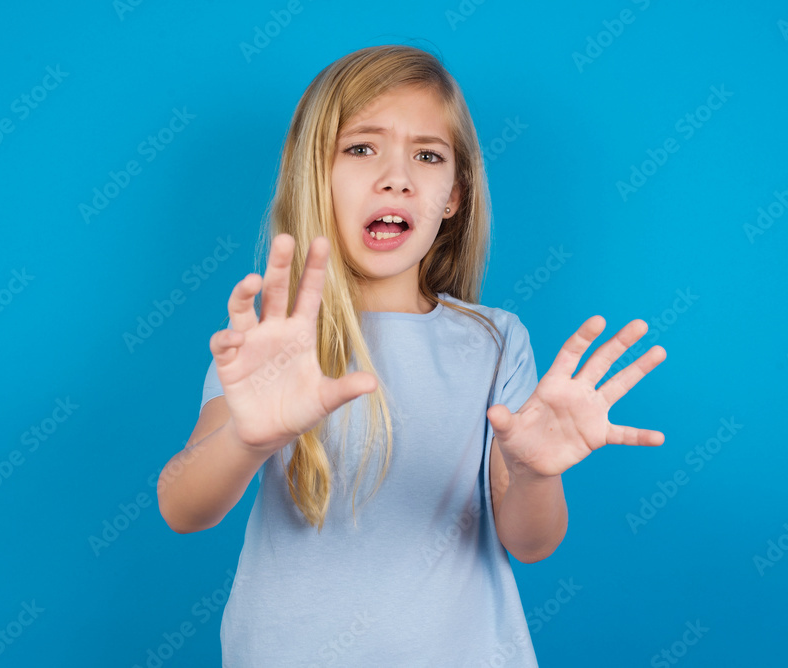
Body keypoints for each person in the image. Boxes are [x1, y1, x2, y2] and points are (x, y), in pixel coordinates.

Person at [156, 44, 666, 667]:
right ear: (315, 174)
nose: (396, 176)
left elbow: (530, 543)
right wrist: (248, 439)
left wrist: (536, 474)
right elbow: (182, 508)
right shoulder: (275, 340)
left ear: (453, 196)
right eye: (361, 148)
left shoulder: (495, 341)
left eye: (427, 156)